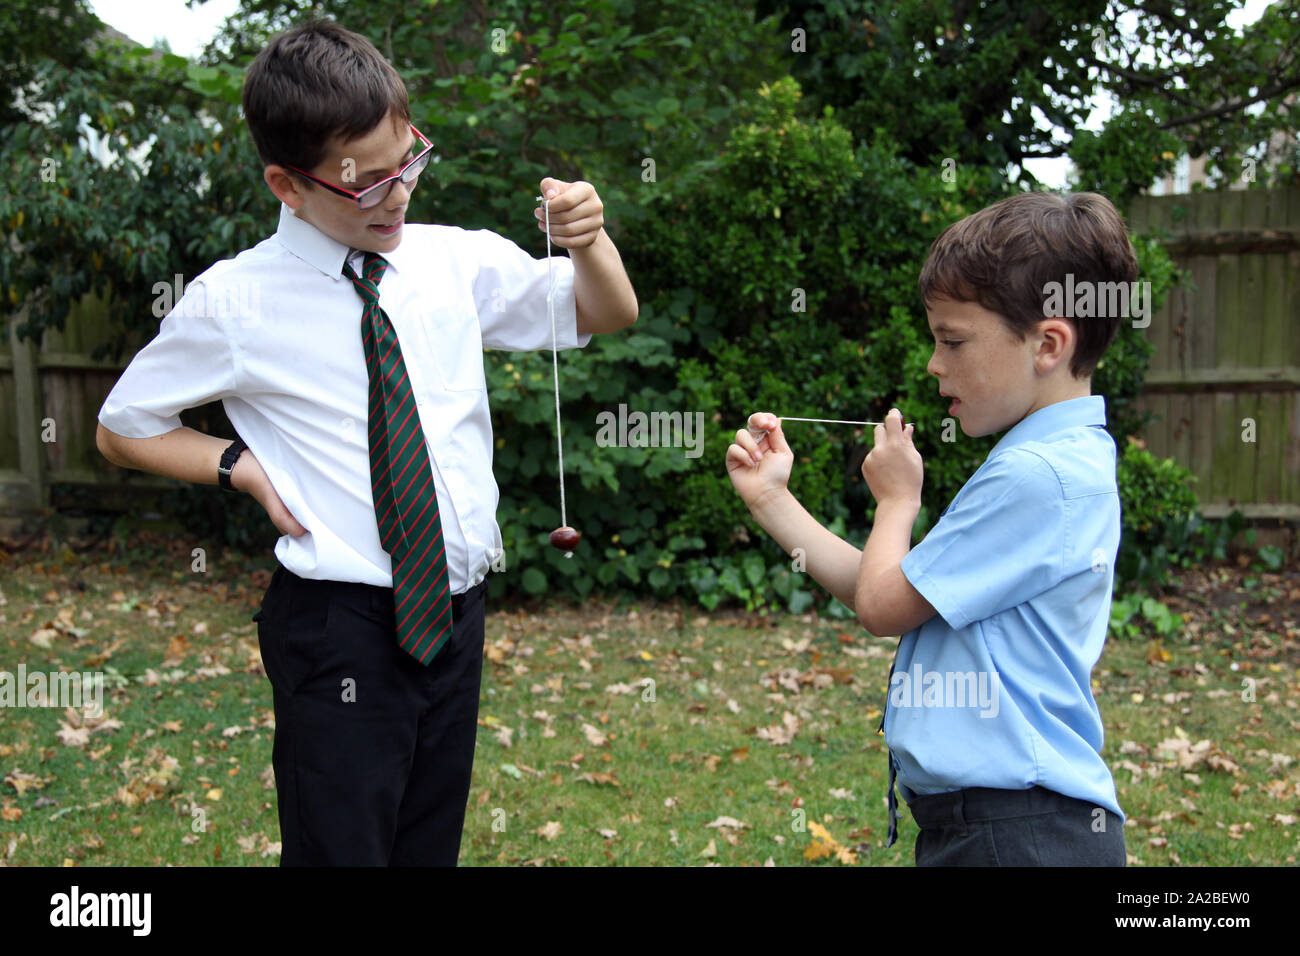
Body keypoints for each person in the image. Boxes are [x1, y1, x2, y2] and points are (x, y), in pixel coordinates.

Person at [96, 19, 637, 866]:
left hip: (455, 619)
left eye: (408, 162)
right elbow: (123, 426)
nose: (396, 195)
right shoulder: (234, 302)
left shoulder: (451, 263)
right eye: (365, 183)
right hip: (339, 627)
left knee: (428, 846)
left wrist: (589, 240)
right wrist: (235, 466)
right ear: (287, 184)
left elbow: (604, 313)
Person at [726, 191, 1132, 866]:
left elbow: (883, 606)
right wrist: (773, 503)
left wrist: (897, 502)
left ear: (1049, 343)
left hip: (1017, 835)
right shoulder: (1056, 463)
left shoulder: (1037, 476)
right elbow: (895, 591)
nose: (933, 364)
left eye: (952, 340)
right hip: (1005, 827)